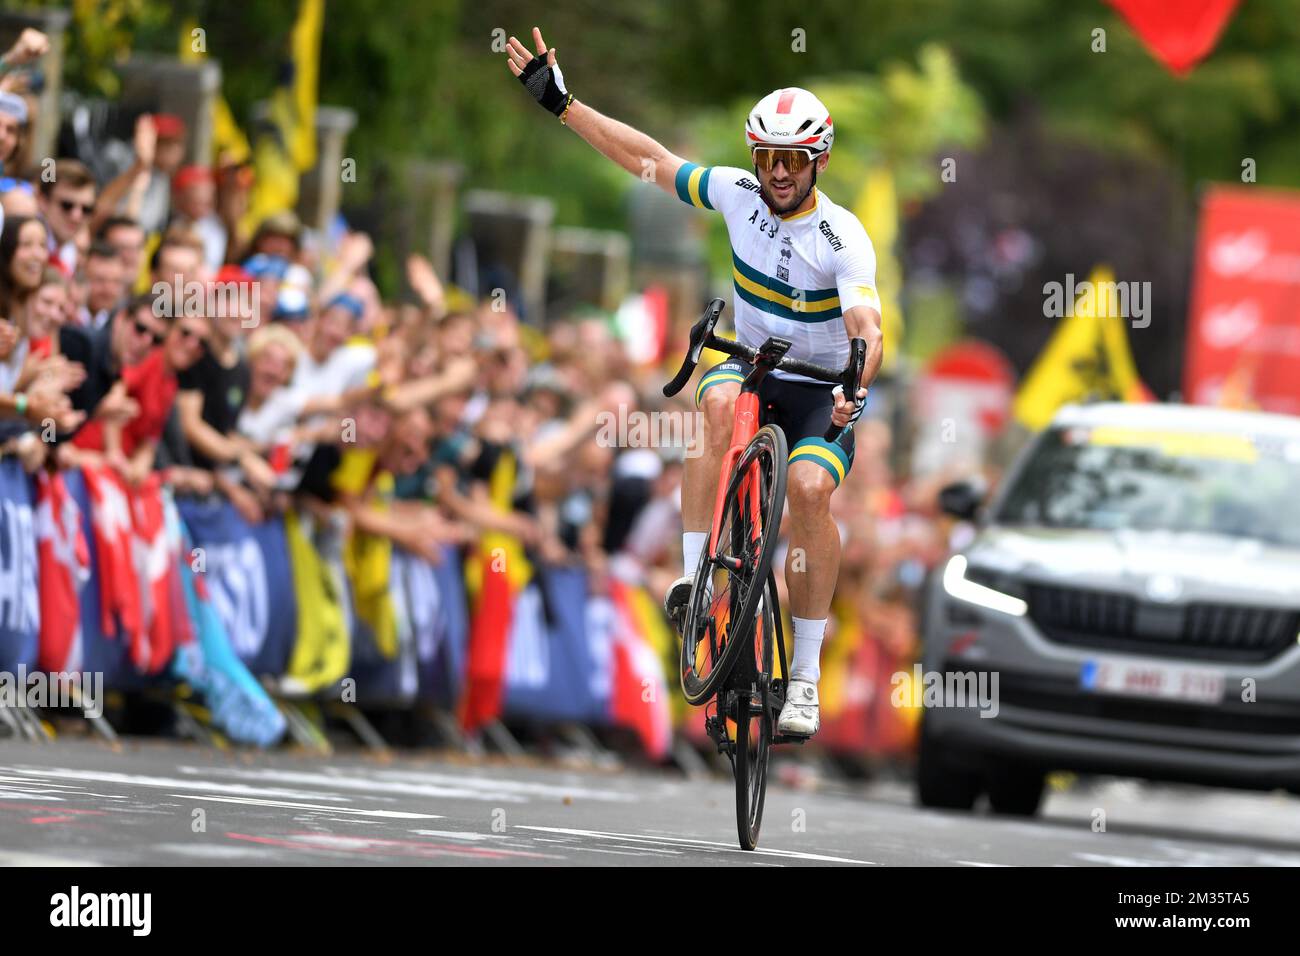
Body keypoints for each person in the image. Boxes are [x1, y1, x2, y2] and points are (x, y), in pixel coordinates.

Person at [504, 28, 884, 737]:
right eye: (767, 157)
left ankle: (802, 679)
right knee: (713, 399)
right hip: (755, 360)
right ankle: (697, 577)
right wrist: (564, 106)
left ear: (818, 161)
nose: (776, 173)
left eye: (792, 160)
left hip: (821, 388)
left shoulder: (843, 237)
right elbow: (647, 159)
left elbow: (867, 323)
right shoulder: (737, 194)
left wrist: (858, 380)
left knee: (807, 491)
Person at [36, 159, 98, 275]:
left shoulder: (70, 253)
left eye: (86, 209)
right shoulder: (21, 244)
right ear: (42, 200)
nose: (76, 216)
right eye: (67, 205)